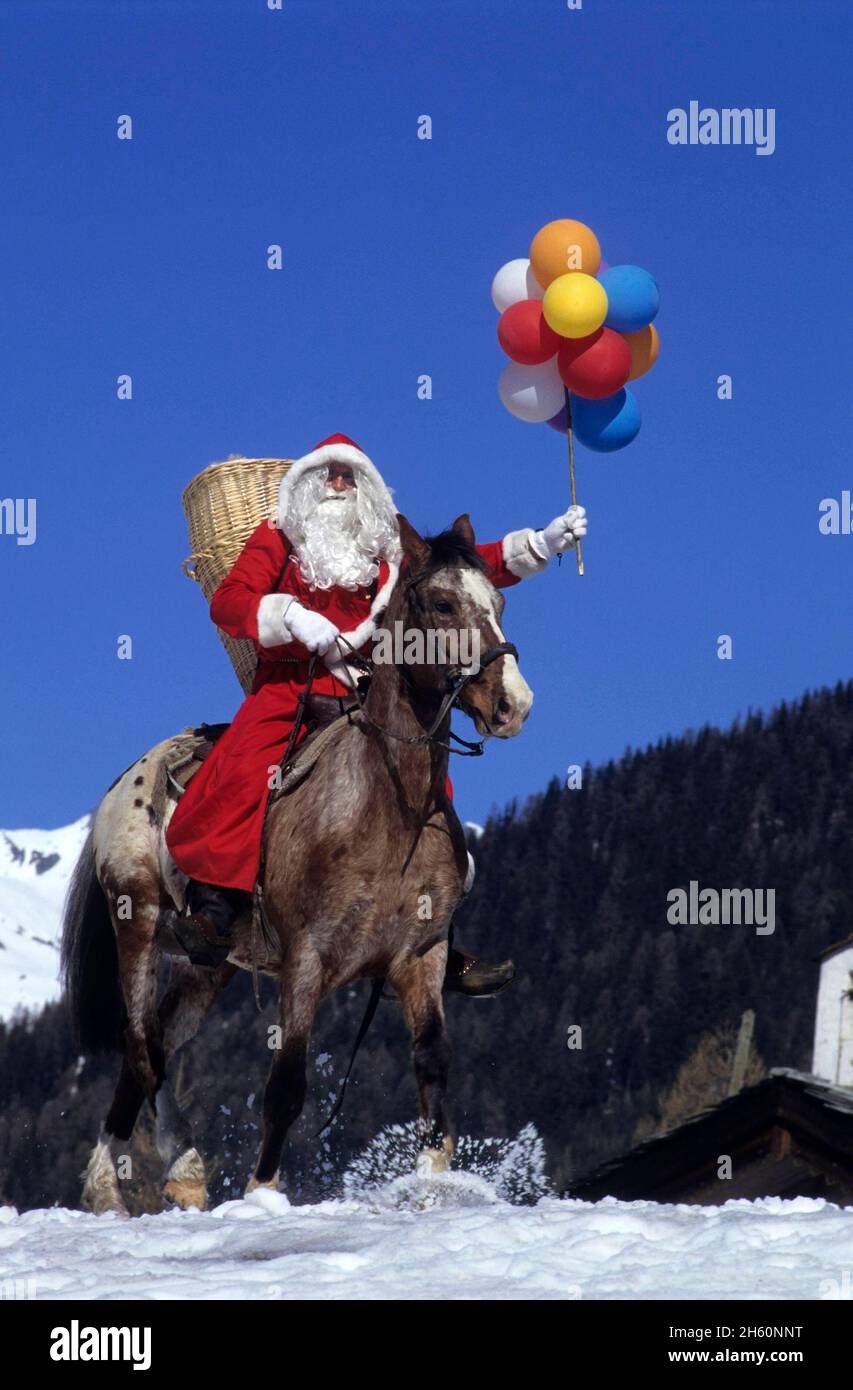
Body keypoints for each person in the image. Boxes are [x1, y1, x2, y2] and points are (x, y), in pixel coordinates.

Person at [164, 433, 586, 991]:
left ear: (367, 489)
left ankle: (438, 937)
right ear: (308, 486)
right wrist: (290, 616)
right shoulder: (279, 537)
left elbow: (458, 573)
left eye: (350, 477)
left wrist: (540, 543)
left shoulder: (384, 548)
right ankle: (216, 910)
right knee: (244, 767)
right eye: (328, 476)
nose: (338, 486)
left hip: (366, 691)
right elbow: (230, 601)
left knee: (431, 790)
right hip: (291, 685)